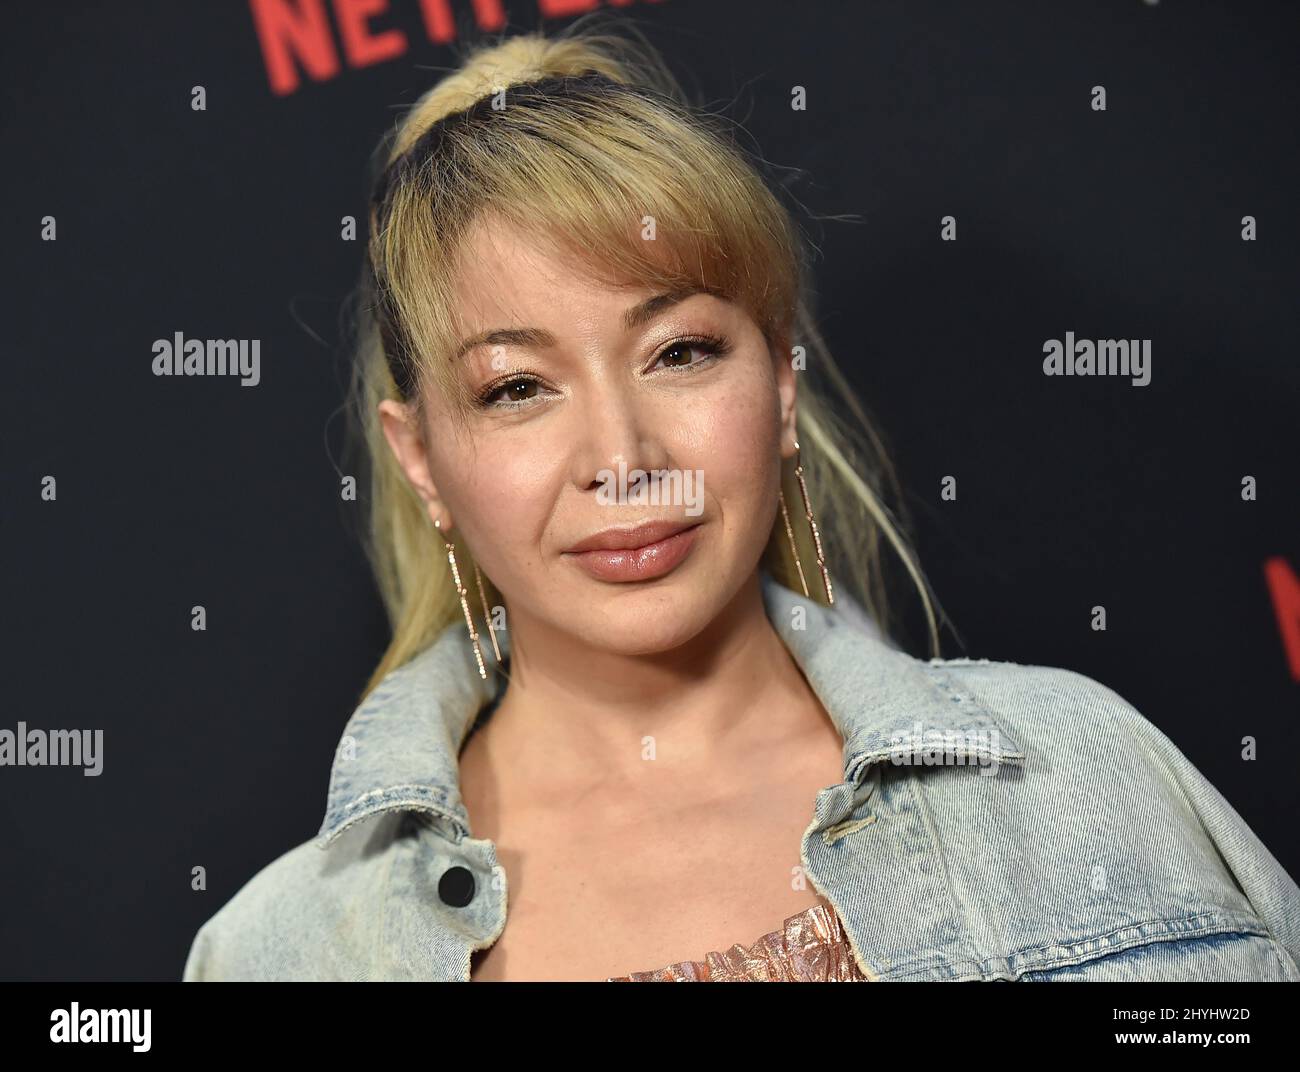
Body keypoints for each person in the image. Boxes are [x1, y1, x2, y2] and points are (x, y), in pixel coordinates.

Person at [182, 20, 1300, 982]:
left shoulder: (1080, 773)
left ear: (776, 381)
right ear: (421, 456)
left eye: (678, 352)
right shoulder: (288, 950)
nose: (622, 458)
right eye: (518, 387)